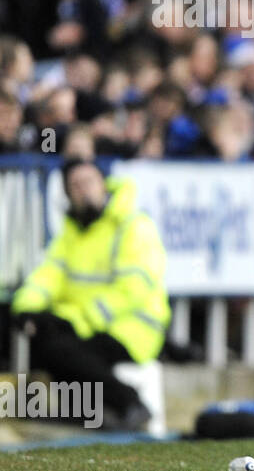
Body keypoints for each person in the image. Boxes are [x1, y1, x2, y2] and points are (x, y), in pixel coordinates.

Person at [10, 158, 170, 429]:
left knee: (61, 346)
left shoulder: (132, 225)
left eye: (88, 182)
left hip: (133, 329)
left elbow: (132, 291)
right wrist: (25, 308)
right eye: (75, 186)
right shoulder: (73, 232)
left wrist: (78, 322)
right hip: (93, 324)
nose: (83, 190)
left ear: (103, 184)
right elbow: (48, 277)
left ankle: (130, 403)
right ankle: (85, 412)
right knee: (44, 334)